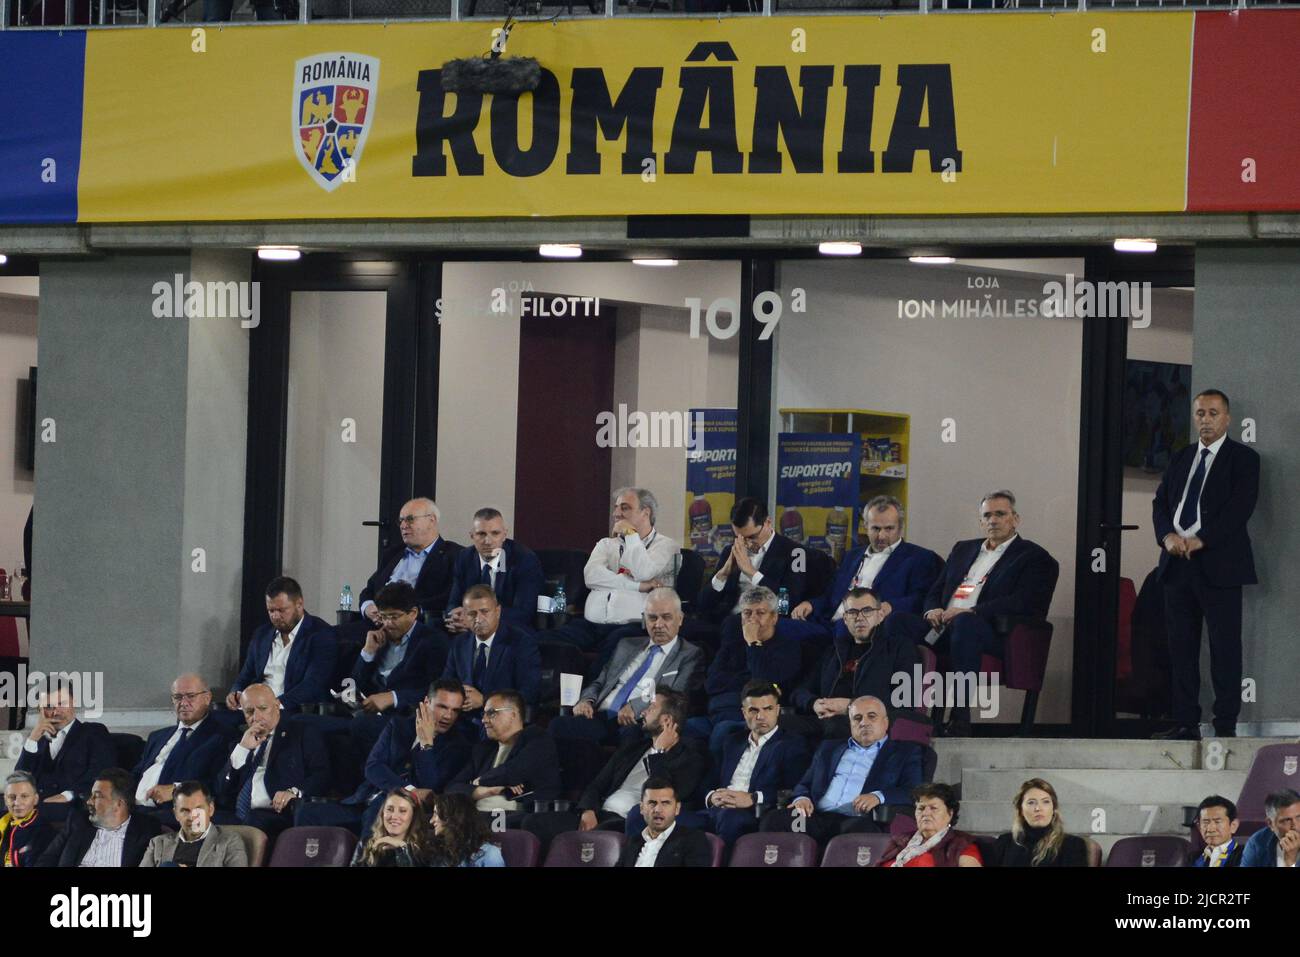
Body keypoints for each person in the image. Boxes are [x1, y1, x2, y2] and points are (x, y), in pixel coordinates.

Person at [892, 490, 1059, 736]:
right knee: (896, 622)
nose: (993, 520)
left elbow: (1024, 602)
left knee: (965, 624)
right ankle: (901, 711)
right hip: (943, 627)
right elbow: (935, 590)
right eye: (987, 515)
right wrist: (932, 610)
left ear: (1015, 519)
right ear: (981, 521)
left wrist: (970, 610)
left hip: (991, 633)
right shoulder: (962, 549)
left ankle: (960, 717)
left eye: (1000, 514)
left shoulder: (1034, 557)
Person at [1152, 390, 1259, 741]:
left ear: (1227, 418)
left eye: (1213, 413)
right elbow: (1161, 502)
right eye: (1200, 413)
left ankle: (1224, 724)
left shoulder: (1242, 459)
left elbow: (1239, 508)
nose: (1205, 419)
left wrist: (1203, 539)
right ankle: (1185, 722)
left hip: (1219, 565)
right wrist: (1167, 536)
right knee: (1181, 648)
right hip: (1176, 564)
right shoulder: (1182, 457)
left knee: (1224, 646)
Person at [523, 688, 706, 850]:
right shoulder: (632, 748)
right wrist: (588, 810)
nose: (643, 712)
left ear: (666, 720)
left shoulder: (690, 756)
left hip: (629, 821)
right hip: (599, 814)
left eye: (650, 708)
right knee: (533, 822)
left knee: (590, 841)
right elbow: (597, 785)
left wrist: (658, 752)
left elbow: (662, 796)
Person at [297, 679, 473, 834]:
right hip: (362, 802)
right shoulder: (399, 726)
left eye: (455, 710)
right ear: (426, 702)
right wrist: (409, 791)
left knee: (380, 809)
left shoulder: (458, 747)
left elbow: (429, 787)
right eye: (442, 707)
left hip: (401, 815)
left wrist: (426, 745)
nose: (448, 716)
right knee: (307, 813)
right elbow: (373, 767)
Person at [548, 588, 701, 746]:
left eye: (666, 617)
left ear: (680, 618)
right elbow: (600, 682)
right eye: (652, 618)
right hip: (599, 714)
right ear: (644, 619)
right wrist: (586, 700)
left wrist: (635, 706)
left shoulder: (689, 654)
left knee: (625, 735)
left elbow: (676, 697)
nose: (658, 624)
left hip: (639, 721)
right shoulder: (626, 644)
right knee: (557, 725)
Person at [762, 696, 922, 843]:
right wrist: (801, 798)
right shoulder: (828, 749)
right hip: (814, 818)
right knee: (774, 820)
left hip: (855, 820)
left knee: (860, 831)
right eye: (857, 718)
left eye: (871, 716)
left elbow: (914, 791)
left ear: (886, 722)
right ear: (850, 724)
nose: (864, 723)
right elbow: (805, 784)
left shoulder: (904, 752)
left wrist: (877, 796)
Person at [548, 487, 679, 652]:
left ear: (646, 513)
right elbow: (591, 577)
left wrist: (630, 534)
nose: (616, 514)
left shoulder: (666, 546)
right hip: (591, 624)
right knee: (543, 642)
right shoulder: (607, 544)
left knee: (611, 652)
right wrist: (637, 586)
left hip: (633, 626)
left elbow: (643, 572)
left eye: (624, 508)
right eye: (616, 507)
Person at [787, 587, 920, 740]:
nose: (859, 618)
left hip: (863, 724)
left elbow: (905, 699)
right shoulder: (834, 651)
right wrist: (814, 703)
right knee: (776, 725)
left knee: (835, 728)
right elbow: (800, 691)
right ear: (845, 619)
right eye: (852, 612)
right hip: (823, 720)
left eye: (867, 611)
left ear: (880, 615)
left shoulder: (900, 648)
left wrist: (851, 706)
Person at [792, 495, 943, 628]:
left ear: (901, 528)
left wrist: (891, 606)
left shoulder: (918, 557)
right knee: (780, 627)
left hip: (867, 627)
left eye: (889, 529)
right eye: (875, 529)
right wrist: (810, 604)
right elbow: (831, 595)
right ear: (865, 526)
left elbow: (921, 598)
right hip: (829, 623)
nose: (882, 536)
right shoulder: (852, 556)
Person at [690, 585, 803, 755]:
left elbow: (762, 685)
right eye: (747, 613)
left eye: (760, 613)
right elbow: (711, 683)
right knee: (681, 728)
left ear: (774, 617)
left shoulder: (788, 648)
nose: (753, 619)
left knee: (722, 733)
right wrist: (744, 681)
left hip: (747, 718)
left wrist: (753, 644)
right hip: (715, 712)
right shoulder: (733, 642)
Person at [215, 684, 330, 840]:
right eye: (249, 712)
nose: (256, 717)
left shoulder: (301, 733)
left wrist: (294, 792)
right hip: (239, 814)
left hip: (277, 813)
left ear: (276, 706)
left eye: (262, 709)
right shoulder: (241, 741)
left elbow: (321, 775)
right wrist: (242, 749)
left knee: (252, 820)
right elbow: (222, 790)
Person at [702, 681, 809, 845]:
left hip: (754, 812)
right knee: (673, 820)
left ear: (778, 710)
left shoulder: (792, 744)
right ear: (744, 713)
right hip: (717, 808)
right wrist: (712, 796)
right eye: (754, 710)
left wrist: (753, 798)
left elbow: (793, 790)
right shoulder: (731, 741)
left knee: (730, 819)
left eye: (768, 709)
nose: (761, 716)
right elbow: (709, 779)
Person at [446, 690, 560, 825]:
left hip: (516, 819)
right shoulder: (483, 749)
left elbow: (514, 772)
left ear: (513, 714)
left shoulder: (539, 740)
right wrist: (486, 791)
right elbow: (452, 788)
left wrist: (480, 780)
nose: (484, 720)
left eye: (491, 713)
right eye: (484, 714)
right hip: (478, 817)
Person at [226, 576, 336, 714]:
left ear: (299, 605)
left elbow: (313, 684)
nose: (275, 616)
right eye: (271, 611)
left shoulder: (321, 634)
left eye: (282, 610)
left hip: (291, 709)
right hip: (255, 709)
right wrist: (236, 692)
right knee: (217, 721)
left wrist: (275, 705)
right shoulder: (262, 635)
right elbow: (246, 674)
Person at [132, 673, 236, 818]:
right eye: (178, 697)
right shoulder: (157, 737)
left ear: (207, 698)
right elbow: (136, 774)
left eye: (191, 696)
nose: (184, 702)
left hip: (171, 813)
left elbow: (219, 785)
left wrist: (178, 790)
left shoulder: (223, 738)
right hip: (132, 810)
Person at [699, 497, 807, 626]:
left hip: (765, 623)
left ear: (767, 522)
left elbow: (788, 604)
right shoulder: (731, 550)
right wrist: (723, 574)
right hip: (727, 619)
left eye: (752, 537)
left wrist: (752, 573)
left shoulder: (795, 552)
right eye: (739, 536)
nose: (746, 543)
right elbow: (702, 604)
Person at [15, 684, 114, 823]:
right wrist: (32, 738)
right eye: (48, 707)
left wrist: (68, 795)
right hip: (37, 804)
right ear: (40, 710)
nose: (56, 712)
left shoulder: (93, 732)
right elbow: (18, 780)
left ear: (74, 702)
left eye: (62, 704)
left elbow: (102, 772)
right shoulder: (38, 740)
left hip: (75, 805)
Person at [441, 585, 541, 715]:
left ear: (498, 611)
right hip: (461, 719)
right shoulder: (459, 644)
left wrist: (485, 700)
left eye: (485, 612)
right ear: (464, 615)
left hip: (500, 719)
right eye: (472, 614)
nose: (478, 619)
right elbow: (446, 684)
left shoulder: (521, 643)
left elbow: (529, 693)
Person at [358, 497, 462, 622]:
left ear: (432, 520)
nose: (403, 525)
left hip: (420, 627)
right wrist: (368, 607)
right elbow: (369, 589)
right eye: (401, 521)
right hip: (377, 623)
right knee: (332, 635)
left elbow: (449, 598)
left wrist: (402, 612)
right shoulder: (393, 554)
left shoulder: (454, 555)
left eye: (410, 519)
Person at [444, 508, 544, 635]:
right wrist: (455, 617)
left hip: (509, 628)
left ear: (504, 535)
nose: (488, 541)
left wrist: (476, 620)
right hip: (469, 630)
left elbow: (523, 612)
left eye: (495, 533)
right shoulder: (464, 558)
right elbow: (453, 602)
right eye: (481, 534)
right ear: (472, 536)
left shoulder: (524, 560)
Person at [37, 769, 163, 868]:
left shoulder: (146, 830)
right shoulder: (78, 821)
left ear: (118, 804)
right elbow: (47, 859)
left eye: (97, 796)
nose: (89, 801)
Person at [141, 780, 247, 867]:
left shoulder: (229, 841)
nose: (192, 817)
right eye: (185, 811)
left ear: (210, 809)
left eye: (198, 809)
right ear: (176, 814)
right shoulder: (158, 843)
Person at [987, 778, 1088, 867]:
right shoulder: (1005, 842)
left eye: (1045, 802)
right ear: (1021, 810)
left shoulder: (1073, 845)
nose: (1038, 808)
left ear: (1054, 808)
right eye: (1031, 802)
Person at [879, 783, 982, 867]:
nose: (926, 813)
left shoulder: (960, 844)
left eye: (933, 808)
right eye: (921, 808)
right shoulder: (900, 840)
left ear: (950, 814)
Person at [619, 778, 713, 867]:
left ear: (677, 808)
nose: (658, 809)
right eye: (652, 803)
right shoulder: (633, 842)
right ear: (642, 808)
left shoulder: (693, 840)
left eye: (665, 803)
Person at [350, 789, 433, 867]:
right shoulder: (365, 844)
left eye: (402, 811)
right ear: (382, 814)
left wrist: (403, 849)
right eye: (389, 809)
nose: (394, 816)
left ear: (413, 817)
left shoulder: (424, 849)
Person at [427, 792, 505, 867]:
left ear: (451, 817)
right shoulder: (439, 854)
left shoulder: (490, 854)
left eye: (436, 813)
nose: (431, 820)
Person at [0, 771, 51, 868]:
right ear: (5, 800)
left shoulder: (45, 832)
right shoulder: (2, 820)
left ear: (35, 799)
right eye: (12, 797)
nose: (17, 802)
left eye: (24, 796)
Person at [1241, 789, 1300, 867]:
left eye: (1299, 817)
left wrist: (1290, 862)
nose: (1296, 826)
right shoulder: (1257, 842)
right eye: (1286, 820)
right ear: (1270, 824)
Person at [1188, 795, 1243, 867]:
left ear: (1233, 826)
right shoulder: (1193, 858)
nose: (1211, 829)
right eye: (1206, 822)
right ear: (1199, 827)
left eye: (1217, 822)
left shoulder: (1247, 856)